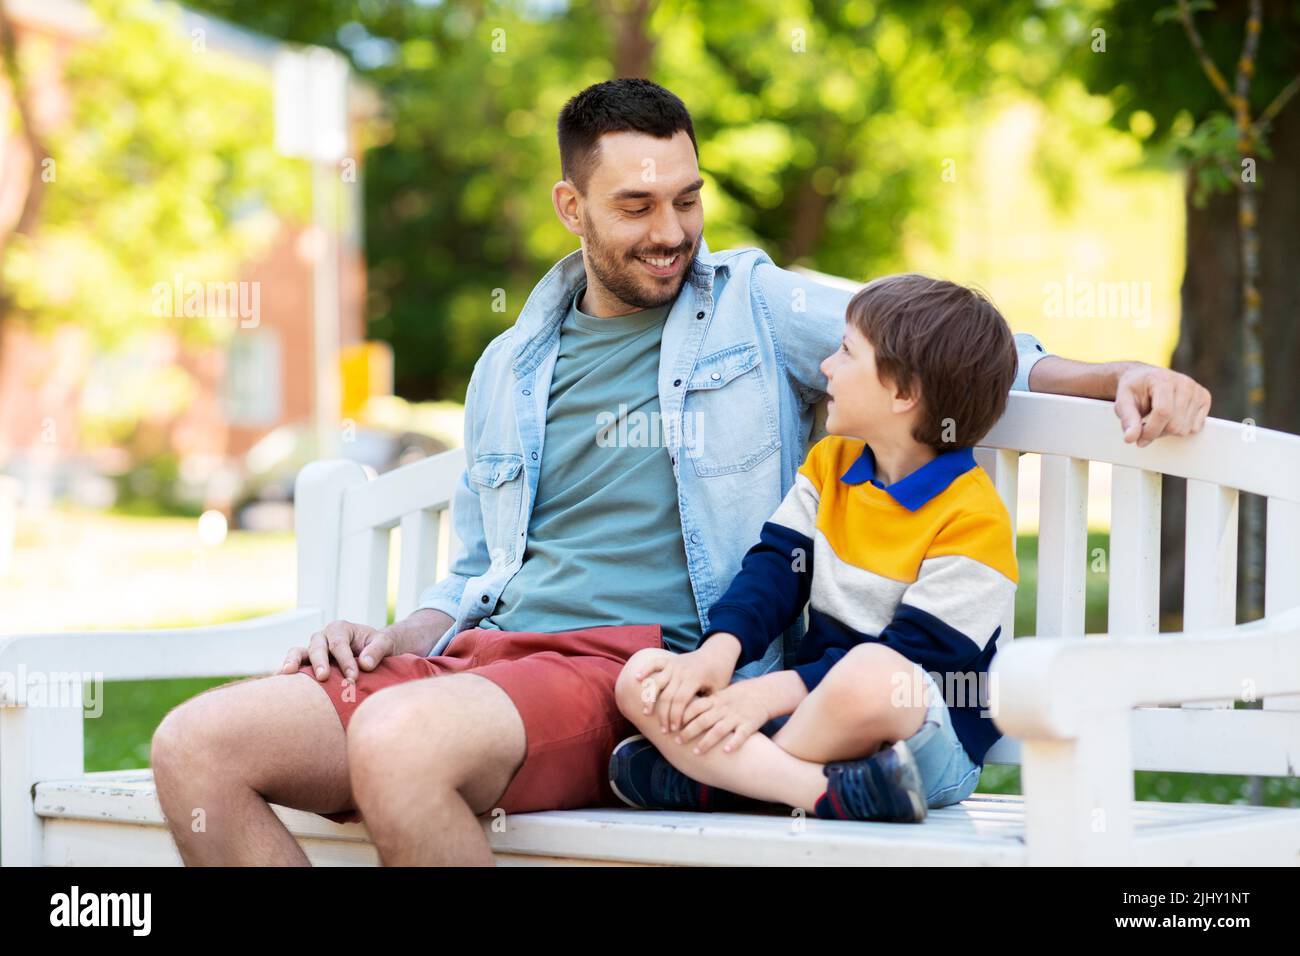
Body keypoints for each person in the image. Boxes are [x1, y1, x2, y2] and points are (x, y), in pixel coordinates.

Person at [151, 79, 1212, 866]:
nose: (671, 233)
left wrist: (1115, 371)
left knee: (395, 741)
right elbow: (475, 562)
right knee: (197, 744)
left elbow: (946, 348)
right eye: (636, 207)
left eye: (686, 200)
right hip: (483, 657)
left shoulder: (753, 304)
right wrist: (394, 633)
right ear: (573, 209)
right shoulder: (511, 362)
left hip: (640, 669)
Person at [610, 273, 1018, 822]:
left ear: (903, 393)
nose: (826, 365)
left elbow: (915, 660)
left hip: (922, 744)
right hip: (809, 718)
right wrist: (718, 652)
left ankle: (725, 781)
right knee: (643, 676)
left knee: (875, 673)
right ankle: (814, 790)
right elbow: (776, 569)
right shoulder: (834, 464)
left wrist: (766, 695)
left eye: (847, 352)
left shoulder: (974, 519)